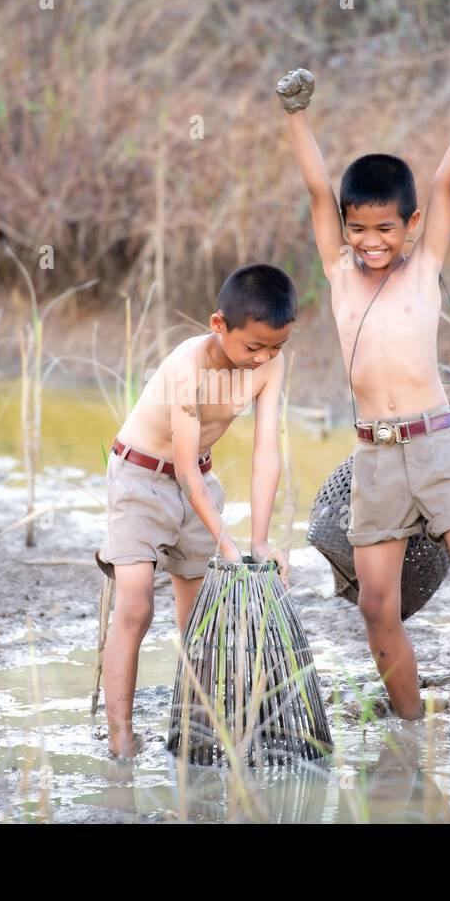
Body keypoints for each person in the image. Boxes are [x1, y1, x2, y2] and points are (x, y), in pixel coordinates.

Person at [276, 56, 450, 723]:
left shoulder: (425, 270)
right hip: (376, 456)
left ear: (412, 225)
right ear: (345, 228)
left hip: (437, 444)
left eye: (385, 229)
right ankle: (410, 728)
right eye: (358, 229)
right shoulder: (341, 276)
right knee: (376, 606)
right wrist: (297, 115)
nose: (371, 242)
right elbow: (315, 190)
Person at [96, 263, 296, 757]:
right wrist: (227, 544)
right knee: (137, 604)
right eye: (253, 347)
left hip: (201, 483)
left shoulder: (270, 365)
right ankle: (121, 738)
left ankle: (196, 731)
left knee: (199, 621)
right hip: (141, 478)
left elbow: (265, 453)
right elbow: (181, 468)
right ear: (219, 325)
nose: (264, 357)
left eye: (276, 347)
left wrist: (260, 540)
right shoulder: (188, 368)